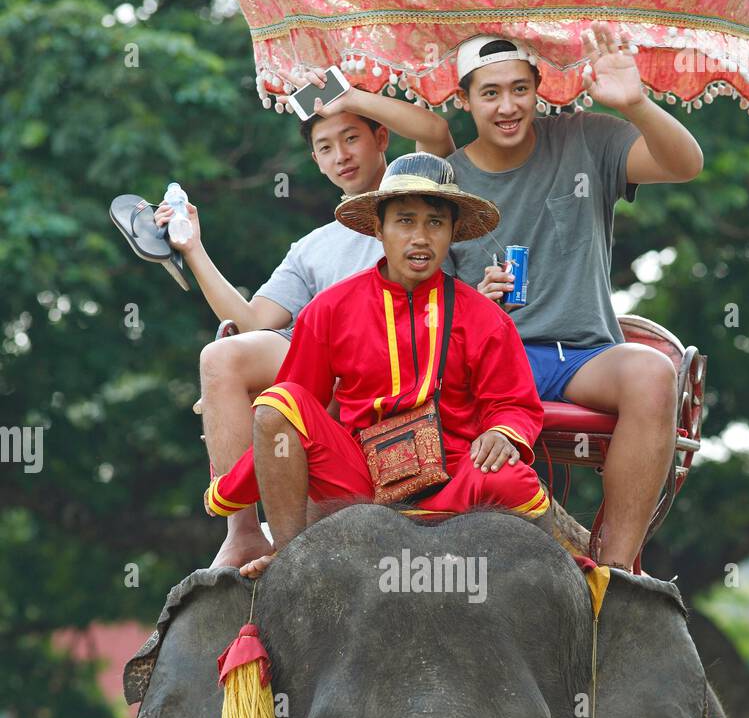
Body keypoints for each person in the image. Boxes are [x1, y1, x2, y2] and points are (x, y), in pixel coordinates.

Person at [201, 153, 551, 578]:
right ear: (378, 229)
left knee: (513, 480)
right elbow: (296, 403)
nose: (420, 237)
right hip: (357, 475)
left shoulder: (486, 317)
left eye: (435, 223)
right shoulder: (328, 309)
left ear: (453, 233)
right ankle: (289, 558)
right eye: (405, 221)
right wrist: (234, 484)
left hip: (455, 474)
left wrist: (501, 433)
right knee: (279, 402)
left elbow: (513, 402)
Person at [155, 79, 455, 567]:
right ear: (315, 161)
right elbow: (253, 321)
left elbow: (437, 133)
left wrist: (349, 96)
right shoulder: (314, 246)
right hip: (324, 363)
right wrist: (193, 248)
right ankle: (244, 530)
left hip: (401, 357)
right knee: (222, 355)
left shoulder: (425, 204)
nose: (341, 155)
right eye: (325, 147)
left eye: (352, 137)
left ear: (382, 138)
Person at [445, 29, 704, 568]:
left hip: (577, 355)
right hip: (482, 359)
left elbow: (686, 166)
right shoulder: (445, 180)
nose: (508, 106)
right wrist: (471, 300)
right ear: (463, 99)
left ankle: (616, 568)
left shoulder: (588, 138)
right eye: (489, 93)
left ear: (540, 87)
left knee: (654, 374)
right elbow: (420, 298)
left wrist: (636, 103)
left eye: (520, 88)